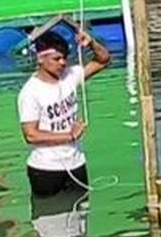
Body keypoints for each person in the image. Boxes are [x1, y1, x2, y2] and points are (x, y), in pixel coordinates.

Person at [17, 29, 111, 198]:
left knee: (81, 215)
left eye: (64, 58)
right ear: (40, 58)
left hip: (76, 162)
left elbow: (103, 60)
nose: (62, 63)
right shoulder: (30, 92)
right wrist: (69, 136)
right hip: (45, 169)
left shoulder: (70, 76)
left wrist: (91, 43)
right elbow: (31, 135)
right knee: (49, 219)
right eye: (56, 59)